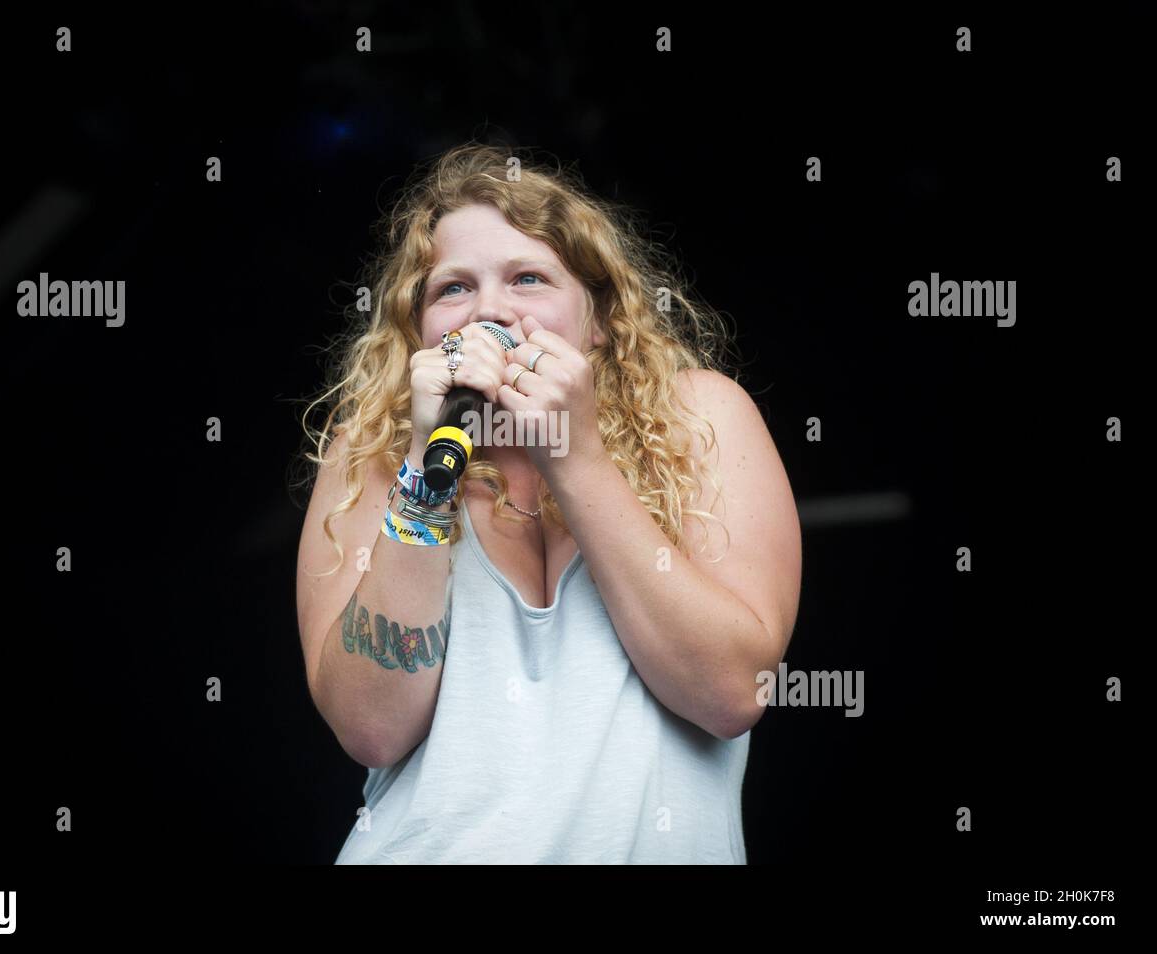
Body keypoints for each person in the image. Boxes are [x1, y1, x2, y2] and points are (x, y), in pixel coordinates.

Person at [292, 142, 802, 863]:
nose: (489, 309)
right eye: (453, 289)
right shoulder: (368, 455)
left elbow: (729, 694)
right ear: (419, 330)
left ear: (598, 319)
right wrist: (427, 462)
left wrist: (575, 454)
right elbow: (370, 727)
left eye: (528, 278)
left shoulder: (700, 419)